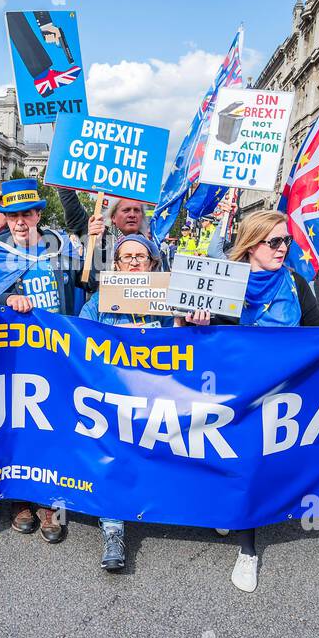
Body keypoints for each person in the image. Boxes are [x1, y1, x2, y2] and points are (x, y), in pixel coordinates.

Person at [219, 210, 319, 592]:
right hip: (234, 390)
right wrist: (198, 321)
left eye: (285, 241)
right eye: (274, 242)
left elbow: (316, 328)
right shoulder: (223, 281)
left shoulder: (294, 282)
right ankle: (238, 528)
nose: (283, 248)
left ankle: (247, 545)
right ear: (251, 244)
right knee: (238, 461)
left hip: (281, 393)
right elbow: (205, 338)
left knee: (258, 463)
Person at [78, 232, 209, 570]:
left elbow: (188, 347)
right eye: (126, 257)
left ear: (153, 264)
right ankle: (113, 528)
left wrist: (188, 322)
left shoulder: (170, 300)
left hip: (161, 395)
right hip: (114, 398)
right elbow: (77, 343)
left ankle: (208, 507)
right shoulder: (99, 301)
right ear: (117, 265)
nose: (134, 262)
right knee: (111, 453)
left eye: (141, 257)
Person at [0, 177, 88, 542]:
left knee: (56, 425)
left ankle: (53, 503)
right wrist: (6, 298)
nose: (19, 222)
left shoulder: (61, 248)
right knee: (19, 426)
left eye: (26, 213)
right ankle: (20, 500)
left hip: (58, 354)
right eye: (12, 215)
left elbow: (86, 283)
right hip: (15, 356)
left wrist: (95, 240)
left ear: (39, 214)